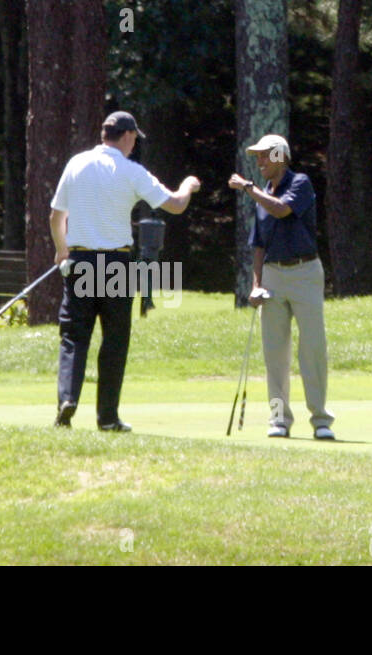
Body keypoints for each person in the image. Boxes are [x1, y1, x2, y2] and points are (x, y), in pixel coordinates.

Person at [50, 111, 201, 430]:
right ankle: (107, 418)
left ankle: (68, 400)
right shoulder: (131, 171)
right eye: (134, 139)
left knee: (74, 337)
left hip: (80, 262)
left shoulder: (76, 164)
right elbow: (174, 204)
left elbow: (56, 216)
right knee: (114, 340)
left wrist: (61, 249)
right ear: (128, 136)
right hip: (116, 266)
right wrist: (188, 185)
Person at [228, 134, 334, 440]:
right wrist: (256, 284)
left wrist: (249, 188)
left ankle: (321, 419)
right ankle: (278, 419)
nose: (259, 161)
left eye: (264, 156)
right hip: (272, 276)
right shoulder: (262, 195)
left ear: (280, 156)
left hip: (305, 272)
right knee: (275, 353)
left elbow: (282, 210)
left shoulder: (300, 183)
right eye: (257, 156)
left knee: (312, 348)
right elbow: (258, 245)